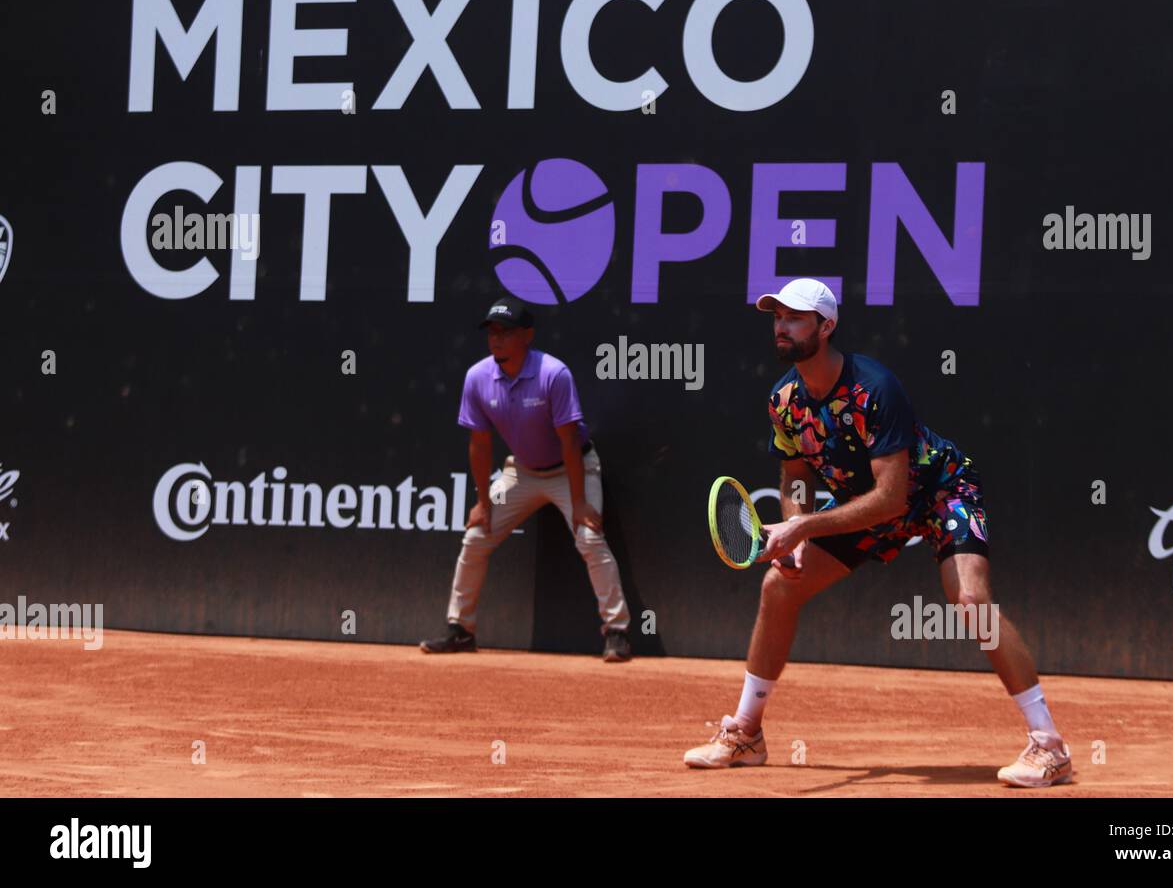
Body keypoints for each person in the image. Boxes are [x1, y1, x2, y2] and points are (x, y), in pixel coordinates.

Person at [683, 278, 1072, 786]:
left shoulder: (875, 389)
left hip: (938, 491)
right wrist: (794, 533)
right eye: (777, 317)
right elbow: (795, 479)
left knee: (972, 602)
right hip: (861, 505)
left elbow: (890, 499)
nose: (781, 326)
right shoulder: (783, 401)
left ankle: (1050, 747)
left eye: (795, 318)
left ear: (826, 327)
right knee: (780, 586)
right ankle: (746, 734)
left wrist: (801, 527)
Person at [421, 296, 633, 662]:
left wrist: (580, 502)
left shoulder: (554, 374)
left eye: (506, 332)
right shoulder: (477, 378)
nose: (497, 339)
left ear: (527, 336)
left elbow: (569, 441)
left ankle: (617, 632)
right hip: (519, 473)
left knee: (588, 537)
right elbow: (479, 445)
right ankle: (460, 630)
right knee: (475, 536)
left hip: (573, 470)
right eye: (492, 332)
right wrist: (484, 502)